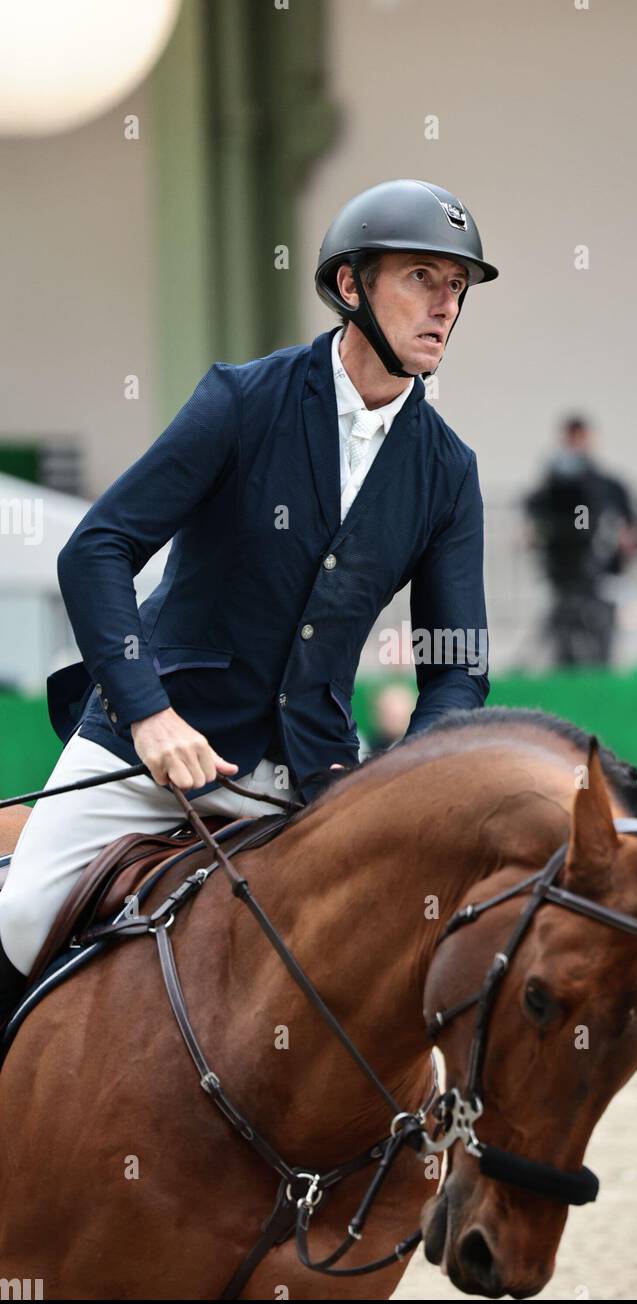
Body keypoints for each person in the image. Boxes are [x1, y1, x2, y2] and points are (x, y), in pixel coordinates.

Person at [0, 178, 498, 1024]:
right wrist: (150, 715)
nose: (443, 306)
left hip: (308, 780)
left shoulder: (447, 471)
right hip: (147, 754)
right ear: (351, 286)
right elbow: (99, 550)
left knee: (401, 973)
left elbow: (456, 671)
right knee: (18, 922)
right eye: (421, 277)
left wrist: (403, 789)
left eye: (456, 287)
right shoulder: (243, 400)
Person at [524, 417, 637, 666]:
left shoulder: (609, 488)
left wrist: (625, 536)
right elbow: (533, 523)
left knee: (601, 644)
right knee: (565, 649)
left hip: (601, 581)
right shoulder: (548, 493)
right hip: (562, 581)